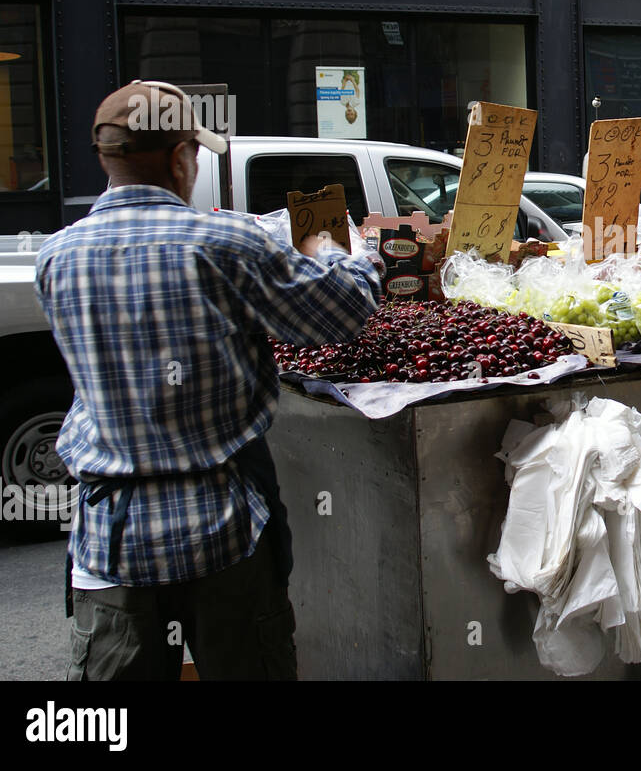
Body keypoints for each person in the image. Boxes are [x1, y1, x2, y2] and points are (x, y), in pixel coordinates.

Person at [35, 79, 383, 681]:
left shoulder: (57, 256)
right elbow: (341, 311)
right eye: (194, 151)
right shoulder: (224, 244)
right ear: (179, 158)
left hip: (111, 546)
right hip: (221, 538)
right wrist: (341, 253)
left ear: (105, 157)